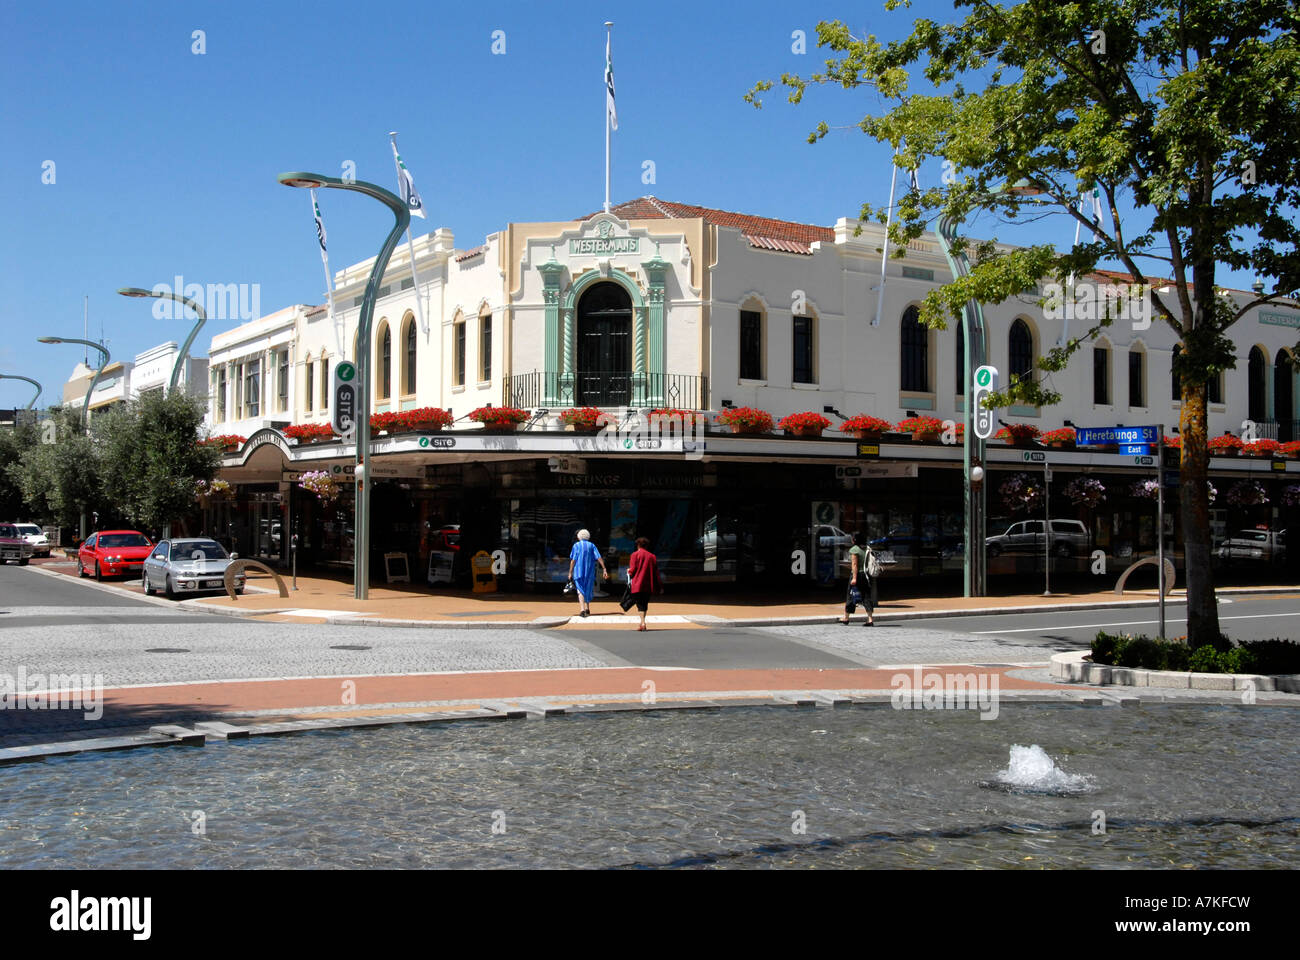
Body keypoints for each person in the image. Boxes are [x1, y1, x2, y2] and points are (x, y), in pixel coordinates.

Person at [568, 528, 608, 618]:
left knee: (580, 590)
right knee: (588, 589)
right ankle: (587, 608)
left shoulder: (576, 546)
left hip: (578, 571)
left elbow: (573, 560)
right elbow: (598, 557)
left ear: (579, 537)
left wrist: (570, 572)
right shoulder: (592, 545)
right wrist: (604, 568)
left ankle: (582, 610)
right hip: (590, 572)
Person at [626, 537, 664, 632]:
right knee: (644, 603)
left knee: (640, 604)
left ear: (638, 545)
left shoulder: (634, 555)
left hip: (637, 583)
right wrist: (660, 586)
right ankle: (642, 622)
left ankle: (642, 623)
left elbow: (633, 569)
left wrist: (629, 571)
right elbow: (656, 573)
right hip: (648, 584)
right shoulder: (652, 556)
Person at [841, 531, 875, 626]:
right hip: (866, 575)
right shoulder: (866, 548)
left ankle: (846, 617)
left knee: (851, 595)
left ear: (854, 540)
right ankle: (870, 619)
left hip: (857, 575)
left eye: (852, 538)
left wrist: (854, 578)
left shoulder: (854, 549)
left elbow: (854, 565)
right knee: (866, 596)